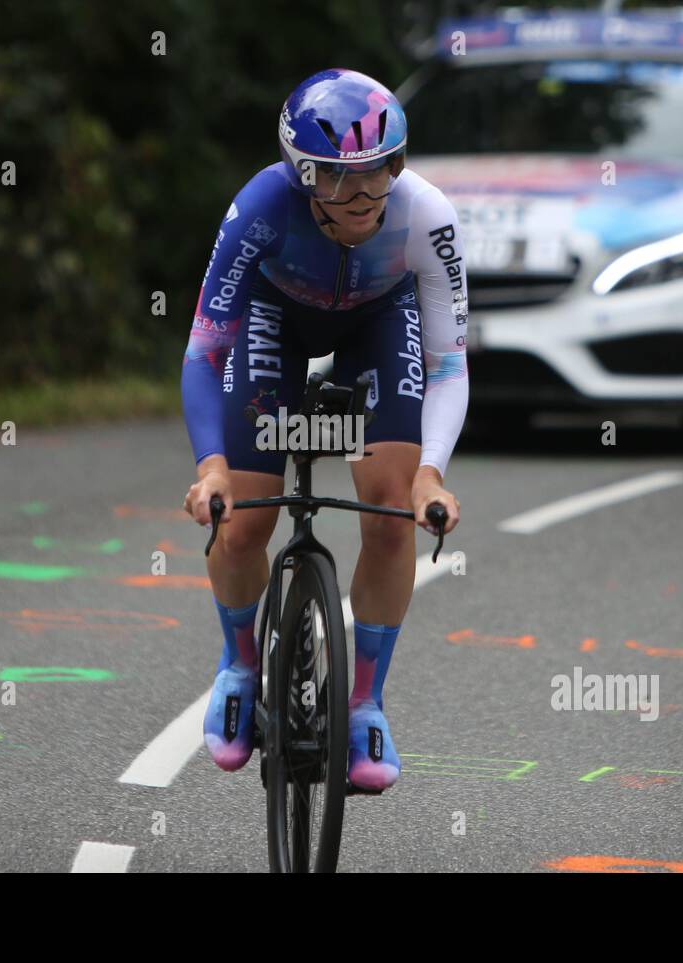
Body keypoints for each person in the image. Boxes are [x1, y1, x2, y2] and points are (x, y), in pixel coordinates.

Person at [180, 68, 467, 792]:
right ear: (303, 176)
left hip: (378, 318)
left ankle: (366, 699)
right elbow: (205, 352)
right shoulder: (261, 208)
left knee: (394, 510)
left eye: (383, 170)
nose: (367, 195)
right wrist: (211, 465)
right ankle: (239, 664)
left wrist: (431, 470)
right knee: (244, 522)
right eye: (342, 181)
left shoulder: (426, 215)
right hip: (276, 318)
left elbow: (450, 365)